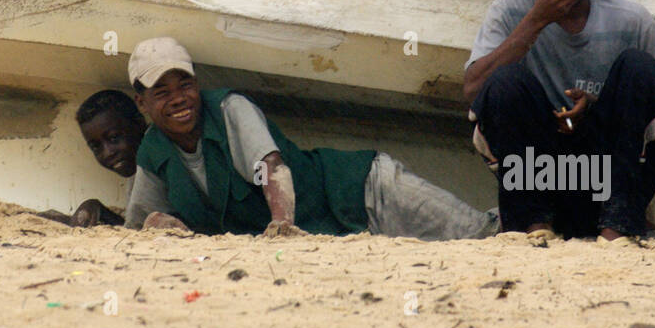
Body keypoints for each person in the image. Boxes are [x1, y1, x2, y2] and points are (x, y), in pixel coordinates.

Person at [123, 36, 498, 240]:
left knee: (481, 235)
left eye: (184, 84)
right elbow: (140, 221)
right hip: (343, 234)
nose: (178, 99)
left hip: (367, 191)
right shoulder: (153, 152)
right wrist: (158, 222)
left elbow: (270, 167)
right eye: (161, 92)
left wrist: (282, 226)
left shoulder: (228, 109)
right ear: (141, 102)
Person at [462, 0, 655, 242]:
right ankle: (533, 229)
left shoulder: (631, 21)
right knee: (502, 82)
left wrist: (595, 106)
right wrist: (535, 20)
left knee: (638, 67)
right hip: (539, 176)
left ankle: (615, 231)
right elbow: (474, 91)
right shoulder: (510, 11)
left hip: (604, 177)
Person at [39, 89, 146, 227]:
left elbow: (143, 231)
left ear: (139, 124)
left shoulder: (156, 161)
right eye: (96, 147)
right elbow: (134, 227)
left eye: (114, 138)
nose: (108, 153)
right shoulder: (137, 169)